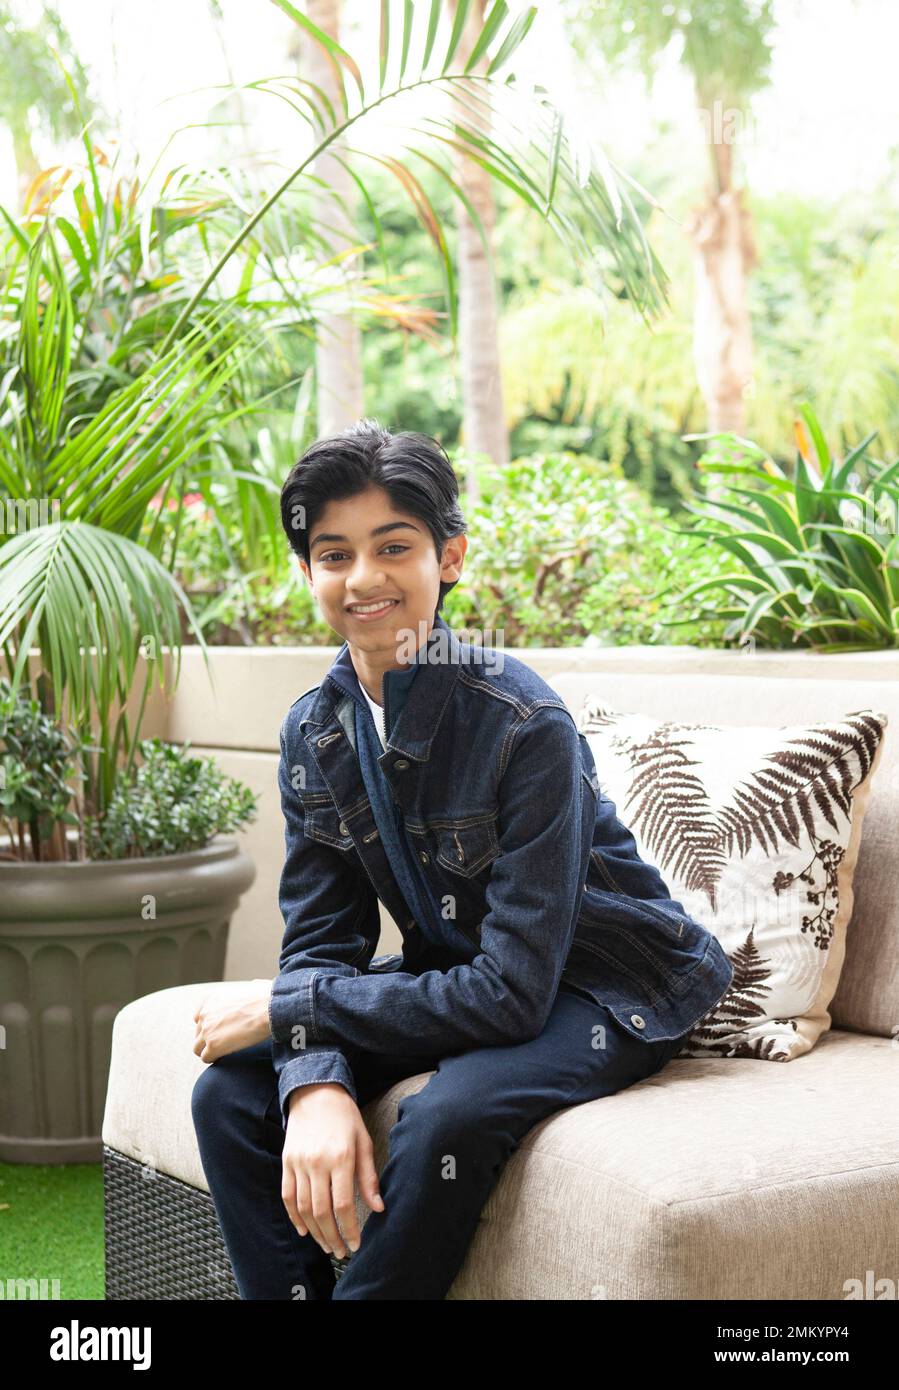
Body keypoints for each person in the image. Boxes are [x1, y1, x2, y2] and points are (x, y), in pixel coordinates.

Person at [190, 419, 733, 1300]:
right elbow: (319, 944)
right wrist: (312, 1080)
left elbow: (513, 995)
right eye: (334, 554)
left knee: (448, 1115)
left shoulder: (523, 723)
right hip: (470, 974)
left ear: (449, 557)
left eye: (392, 547)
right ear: (308, 573)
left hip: (606, 986)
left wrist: (289, 1010)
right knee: (226, 1099)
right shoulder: (312, 731)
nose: (363, 579)